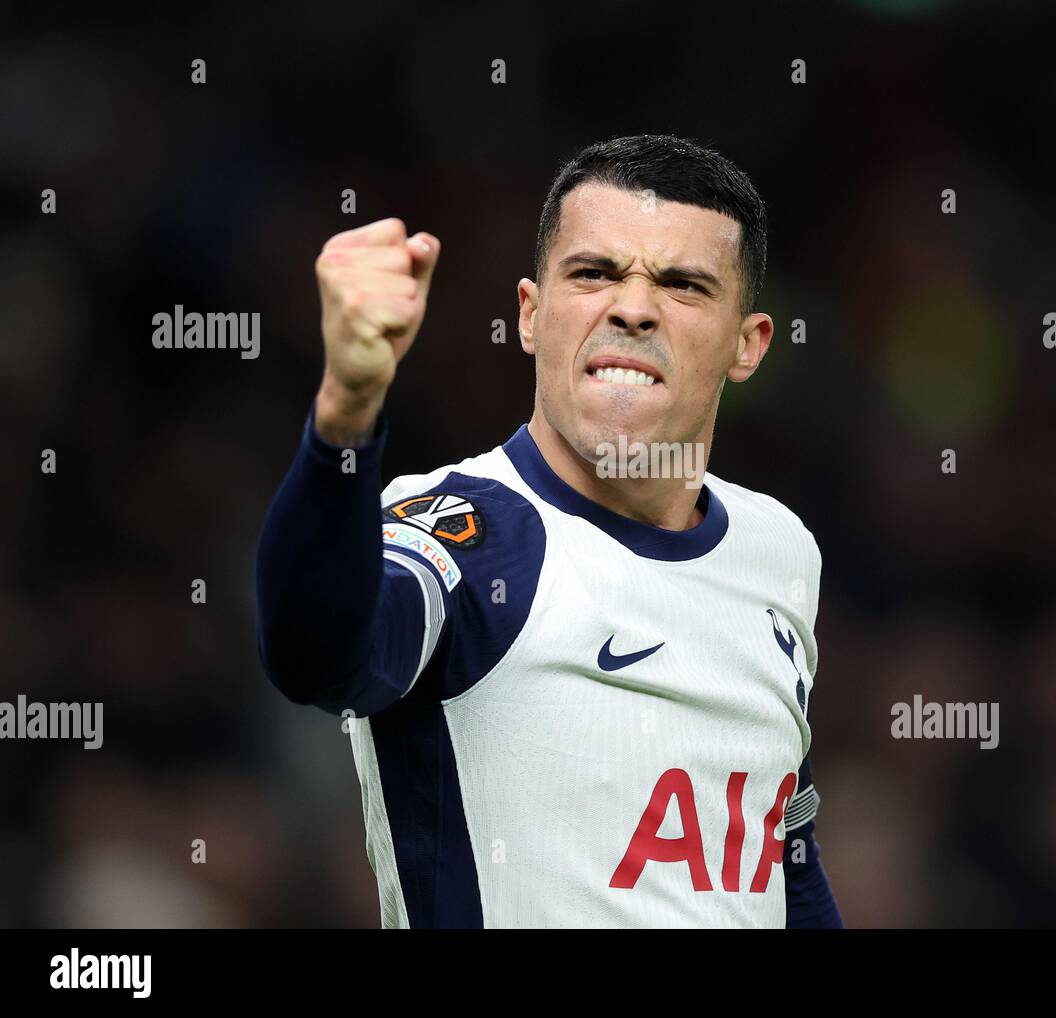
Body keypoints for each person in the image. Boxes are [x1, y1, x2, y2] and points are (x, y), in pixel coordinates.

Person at [255, 134, 842, 928]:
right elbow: (316, 659)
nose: (632, 308)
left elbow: (786, 864)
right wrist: (345, 417)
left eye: (683, 285)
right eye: (594, 273)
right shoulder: (465, 535)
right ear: (531, 315)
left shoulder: (778, 550)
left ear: (749, 343)